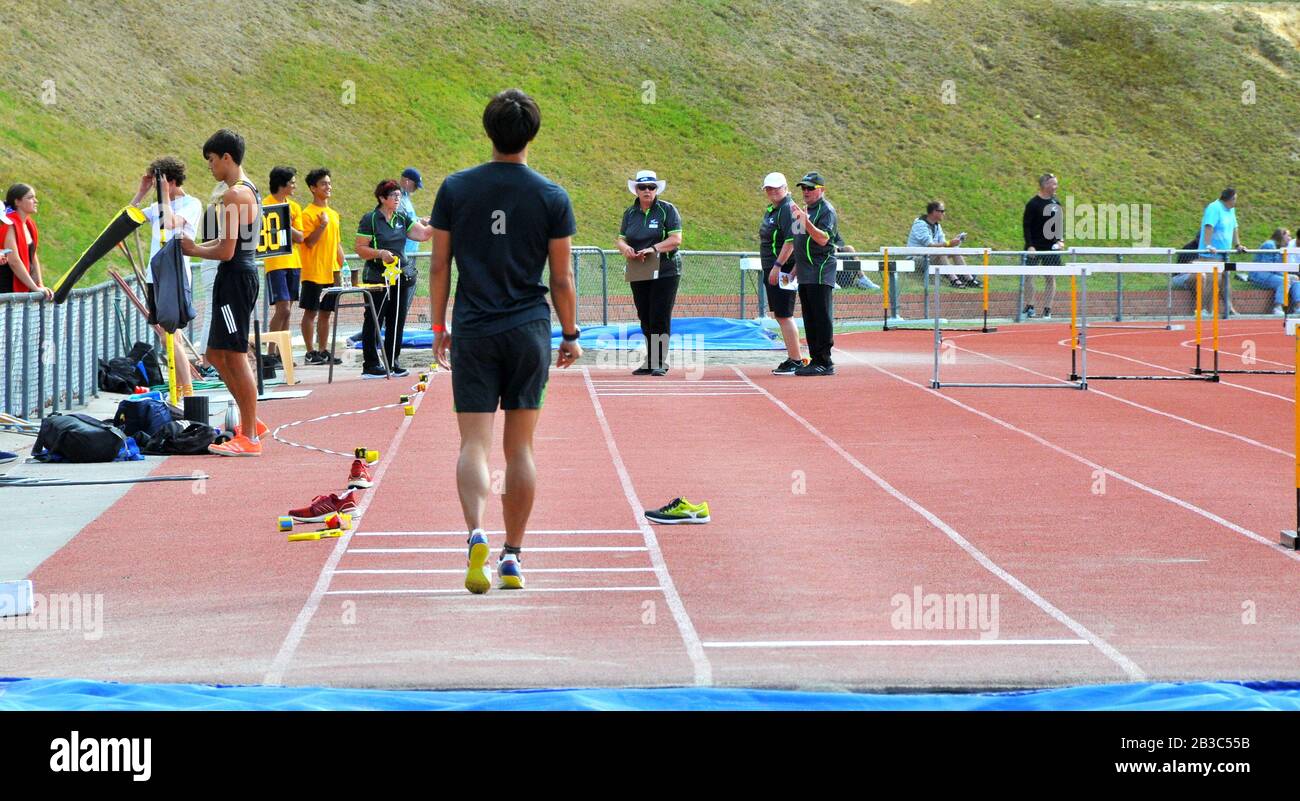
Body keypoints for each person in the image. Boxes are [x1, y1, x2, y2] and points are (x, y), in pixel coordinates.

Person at [429, 88, 580, 594]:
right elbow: (561, 279)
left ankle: (476, 531)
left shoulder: (455, 189)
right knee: (521, 448)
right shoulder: (552, 196)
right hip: (528, 329)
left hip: (474, 326)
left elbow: (439, 265)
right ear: (531, 133)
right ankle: (512, 555)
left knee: (474, 442)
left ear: (489, 130)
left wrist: (437, 327)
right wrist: (571, 333)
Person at [179, 129, 265, 457]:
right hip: (234, 277)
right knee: (215, 355)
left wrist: (193, 251)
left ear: (227, 158)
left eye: (212, 161)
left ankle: (250, 437)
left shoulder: (235, 195)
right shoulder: (244, 190)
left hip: (236, 277)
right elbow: (223, 243)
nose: (211, 168)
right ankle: (252, 422)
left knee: (235, 354)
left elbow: (227, 250)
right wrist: (196, 247)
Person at [354, 178, 433, 378]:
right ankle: (370, 364)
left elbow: (422, 235)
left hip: (399, 275)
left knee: (396, 319)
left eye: (399, 195)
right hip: (377, 277)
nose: (398, 199)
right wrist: (380, 253)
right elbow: (360, 248)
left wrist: (438, 222)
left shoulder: (402, 217)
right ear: (382, 198)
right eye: (394, 195)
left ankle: (392, 361)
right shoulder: (370, 219)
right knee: (374, 318)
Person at [616, 170, 683, 375]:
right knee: (644, 314)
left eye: (651, 187)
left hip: (665, 269)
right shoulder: (630, 213)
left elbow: (675, 239)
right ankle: (650, 359)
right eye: (643, 187)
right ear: (636, 190)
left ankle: (660, 361)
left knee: (659, 314)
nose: (647, 191)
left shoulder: (667, 210)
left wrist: (653, 249)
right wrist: (625, 248)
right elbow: (620, 238)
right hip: (639, 267)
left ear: (656, 190)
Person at [758, 172, 807, 374]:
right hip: (774, 267)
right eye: (769, 188)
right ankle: (793, 357)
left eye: (777, 187)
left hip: (783, 268)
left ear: (786, 188)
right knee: (781, 314)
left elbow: (792, 240)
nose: (772, 191)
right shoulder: (774, 210)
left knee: (785, 314)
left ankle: (795, 359)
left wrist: (778, 266)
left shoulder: (788, 209)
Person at [791, 171, 838, 376]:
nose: (806, 191)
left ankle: (824, 361)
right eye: (803, 188)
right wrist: (794, 266)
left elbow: (822, 239)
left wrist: (805, 220)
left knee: (821, 316)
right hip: (805, 271)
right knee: (809, 317)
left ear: (821, 190)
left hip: (820, 269)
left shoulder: (826, 210)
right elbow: (798, 239)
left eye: (810, 188)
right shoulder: (804, 210)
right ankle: (815, 359)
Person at [1173, 188, 1248, 315]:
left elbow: (1234, 227)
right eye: (1235, 199)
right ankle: (1204, 309)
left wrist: (1238, 244)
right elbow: (1209, 226)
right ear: (1230, 199)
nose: (1236, 202)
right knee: (1213, 279)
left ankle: (1229, 307)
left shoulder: (1231, 210)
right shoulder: (1214, 208)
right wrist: (1208, 245)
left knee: (1226, 278)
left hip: (1225, 253)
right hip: (1211, 253)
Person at [298, 168, 345, 365]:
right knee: (311, 312)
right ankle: (310, 352)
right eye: (323, 184)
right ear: (312, 188)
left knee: (327, 312)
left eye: (329, 183)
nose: (328, 187)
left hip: (331, 270)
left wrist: (342, 264)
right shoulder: (307, 214)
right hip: (313, 271)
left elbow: (336, 242)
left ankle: (323, 349)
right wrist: (321, 226)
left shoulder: (333, 214)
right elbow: (308, 242)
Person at [262, 166, 305, 366]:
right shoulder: (265, 205)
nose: (295, 186)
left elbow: (300, 237)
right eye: (292, 182)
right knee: (283, 308)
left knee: (288, 310)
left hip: (293, 262)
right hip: (276, 262)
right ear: (282, 184)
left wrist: (286, 222)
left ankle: (282, 352)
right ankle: (271, 352)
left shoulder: (294, 207)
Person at [1021, 173, 1064, 319]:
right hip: (1035, 246)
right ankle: (1030, 306)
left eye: (1056, 184)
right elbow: (1026, 226)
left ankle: (1047, 309)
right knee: (1029, 276)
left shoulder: (1056, 203)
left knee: (1050, 277)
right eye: (1053, 184)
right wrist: (1030, 245)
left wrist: (1060, 240)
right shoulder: (1033, 204)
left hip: (1050, 248)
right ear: (1045, 185)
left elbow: (1059, 225)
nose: (1055, 187)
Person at [2, 184, 53, 299]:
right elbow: (14, 261)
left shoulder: (29, 224)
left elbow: (33, 256)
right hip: (7, 288)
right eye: (30, 198)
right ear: (17, 202)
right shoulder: (9, 224)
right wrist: (35, 288)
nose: (36, 201)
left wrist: (39, 284)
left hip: (25, 285)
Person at [908, 201, 975, 287]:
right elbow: (930, 245)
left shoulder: (936, 225)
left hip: (930, 256)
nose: (944, 214)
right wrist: (948, 243)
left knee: (955, 251)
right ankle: (954, 280)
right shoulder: (920, 225)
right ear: (934, 212)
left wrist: (954, 242)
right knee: (940, 252)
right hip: (916, 259)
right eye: (942, 211)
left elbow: (943, 243)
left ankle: (969, 279)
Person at [1245, 228, 1297, 315]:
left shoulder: (1281, 247)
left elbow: (1280, 267)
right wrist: (1286, 276)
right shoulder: (1269, 245)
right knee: (1284, 281)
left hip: (1271, 274)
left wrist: (1288, 275)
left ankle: (1297, 307)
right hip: (1260, 274)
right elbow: (1267, 266)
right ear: (1281, 235)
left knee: (1295, 281)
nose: (1290, 238)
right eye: (1288, 235)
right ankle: (1277, 307)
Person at [398, 167, 429, 258]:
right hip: (402, 253)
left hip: (410, 251)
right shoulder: (398, 199)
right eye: (415, 185)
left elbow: (410, 217)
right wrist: (421, 223)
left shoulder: (405, 197)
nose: (416, 188)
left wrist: (421, 220)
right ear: (407, 181)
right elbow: (401, 223)